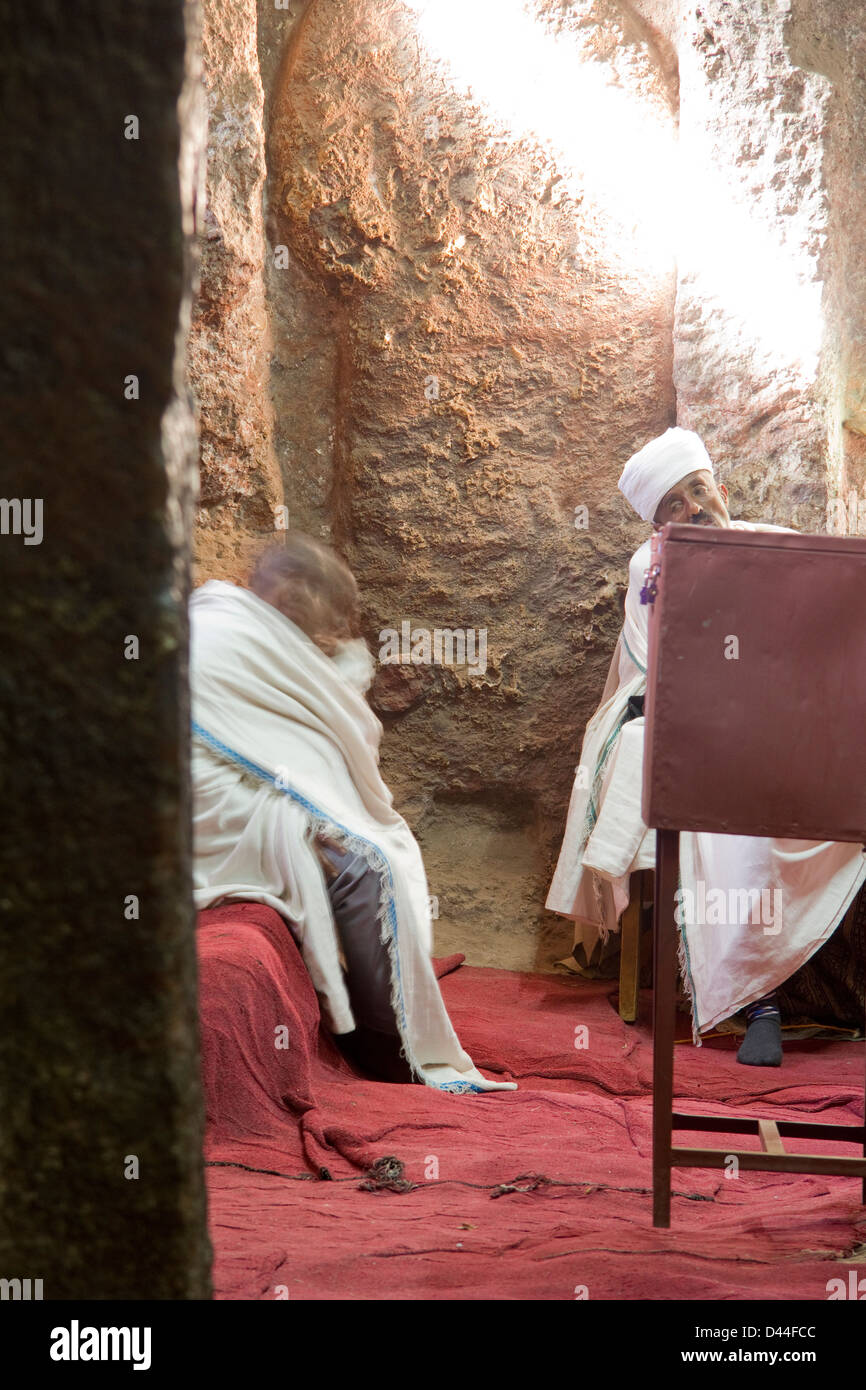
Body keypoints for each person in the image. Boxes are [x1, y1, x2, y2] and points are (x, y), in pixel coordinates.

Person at [547, 427, 866, 1066]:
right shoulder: (650, 567)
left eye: (697, 490)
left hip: (789, 727)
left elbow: (842, 595)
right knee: (731, 821)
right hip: (701, 726)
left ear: (721, 490)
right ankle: (759, 1002)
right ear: (657, 524)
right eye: (673, 504)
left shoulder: (774, 545)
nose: (692, 508)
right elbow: (654, 665)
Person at [189, 534, 515, 1094]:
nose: (334, 635)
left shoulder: (265, 634)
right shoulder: (225, 624)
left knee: (368, 852)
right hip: (202, 802)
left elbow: (303, 735)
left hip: (233, 786)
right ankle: (388, 1045)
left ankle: (371, 1010)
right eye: (326, 618)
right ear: (288, 596)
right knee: (364, 865)